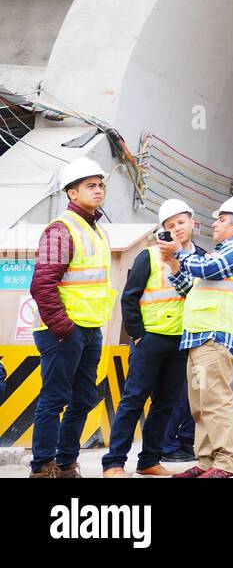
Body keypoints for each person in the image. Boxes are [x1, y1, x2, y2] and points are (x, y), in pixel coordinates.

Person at [102, 198, 203, 477]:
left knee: (165, 405)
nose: (177, 228)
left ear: (193, 221)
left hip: (180, 342)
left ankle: (149, 460)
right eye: (170, 225)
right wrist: (138, 336)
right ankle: (113, 463)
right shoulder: (149, 256)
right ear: (163, 230)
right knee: (133, 400)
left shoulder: (202, 259)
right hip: (150, 340)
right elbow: (129, 297)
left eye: (181, 222)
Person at [28, 157, 115, 479]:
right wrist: (64, 328)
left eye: (101, 185)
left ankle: (66, 465)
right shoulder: (62, 230)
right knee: (54, 399)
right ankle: (41, 467)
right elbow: (42, 284)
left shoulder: (96, 231)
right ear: (72, 193)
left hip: (90, 328)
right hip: (63, 330)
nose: (98, 190)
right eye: (90, 186)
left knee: (83, 399)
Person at [159, 195, 233, 478]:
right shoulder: (217, 253)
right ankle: (205, 460)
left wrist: (179, 250)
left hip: (217, 336)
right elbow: (188, 287)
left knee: (215, 401)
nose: (214, 223)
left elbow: (205, 269)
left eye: (221, 219)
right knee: (200, 404)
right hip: (200, 337)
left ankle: (225, 462)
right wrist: (173, 262)